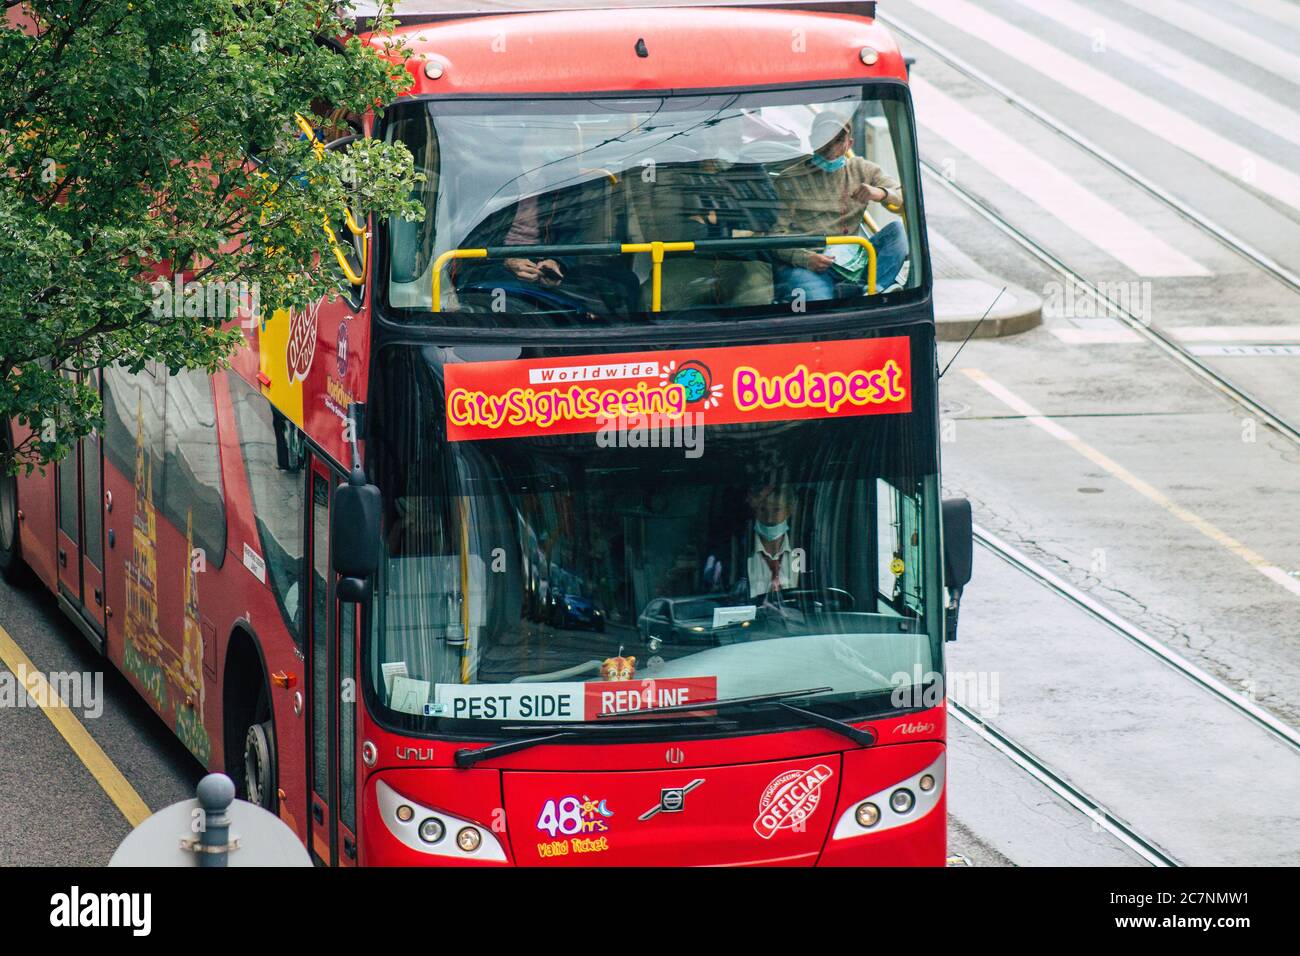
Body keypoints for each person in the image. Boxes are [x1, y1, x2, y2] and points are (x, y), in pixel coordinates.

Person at [772, 112, 909, 303]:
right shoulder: (789, 179)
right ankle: (867, 293)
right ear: (812, 140)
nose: (830, 146)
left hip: (855, 260)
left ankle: (872, 290)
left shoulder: (862, 169)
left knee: (898, 231)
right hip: (810, 265)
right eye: (824, 138)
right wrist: (805, 258)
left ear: (848, 144)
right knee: (821, 309)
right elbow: (774, 236)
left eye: (837, 139)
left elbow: (905, 196)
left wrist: (881, 193)